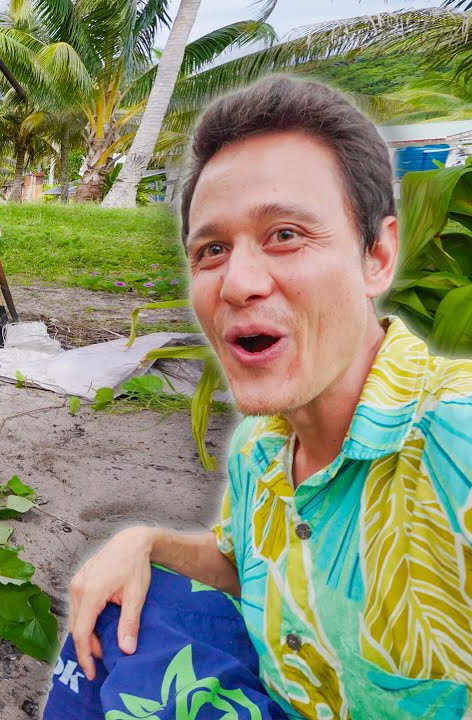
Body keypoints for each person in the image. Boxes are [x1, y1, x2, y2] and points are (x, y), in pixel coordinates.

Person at [59, 76, 472, 718]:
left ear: (378, 257)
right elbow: (242, 560)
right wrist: (141, 540)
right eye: (213, 250)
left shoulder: (458, 440)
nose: (238, 283)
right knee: (119, 611)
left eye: (285, 234)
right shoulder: (262, 446)